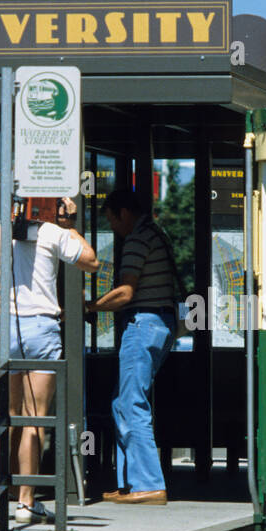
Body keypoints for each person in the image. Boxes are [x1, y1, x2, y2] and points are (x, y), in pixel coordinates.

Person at [0, 196, 98, 523]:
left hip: (4, 329)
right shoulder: (50, 233)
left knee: (4, 416)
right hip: (41, 327)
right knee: (35, 416)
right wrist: (68, 224)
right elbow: (91, 261)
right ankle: (26, 503)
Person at [86, 188, 182, 506]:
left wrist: (90, 307)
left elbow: (126, 293)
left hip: (142, 325)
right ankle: (130, 483)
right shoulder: (156, 232)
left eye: (112, 219)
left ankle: (149, 484)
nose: (112, 227)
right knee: (121, 402)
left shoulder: (137, 239)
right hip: (161, 324)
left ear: (123, 213)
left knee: (131, 404)